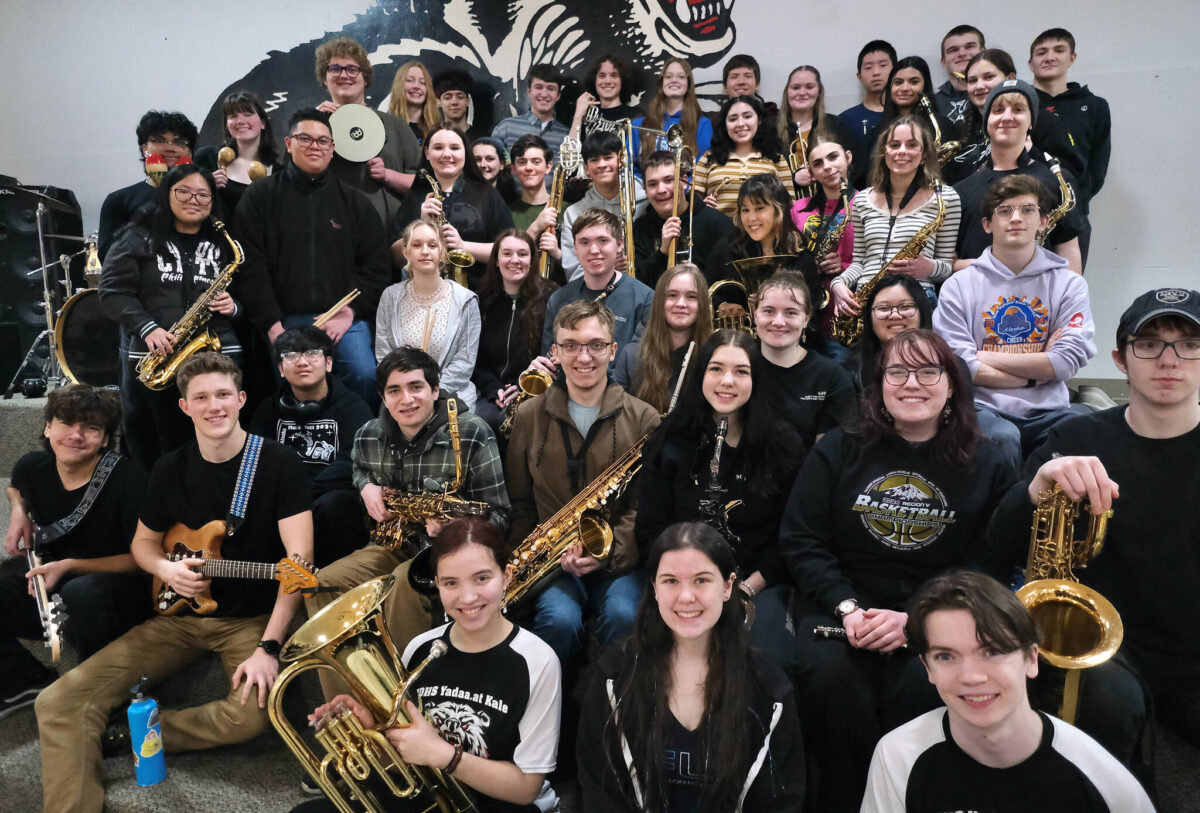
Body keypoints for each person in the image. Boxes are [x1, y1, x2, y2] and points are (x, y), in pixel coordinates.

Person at [35, 352, 314, 813]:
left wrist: (268, 647)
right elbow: (144, 545)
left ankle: (137, 732)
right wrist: (167, 571)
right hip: (178, 618)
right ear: (185, 407)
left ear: (241, 398)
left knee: (252, 714)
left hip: (249, 621)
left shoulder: (278, 462)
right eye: (201, 397)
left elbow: (298, 564)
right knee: (58, 703)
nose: (214, 406)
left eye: (223, 394)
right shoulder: (170, 466)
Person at [779, 328, 1016, 811]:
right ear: (879, 385)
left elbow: (988, 561)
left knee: (922, 685)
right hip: (843, 603)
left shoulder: (990, 459)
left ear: (952, 385)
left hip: (943, 609)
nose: (913, 383)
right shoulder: (839, 449)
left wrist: (916, 618)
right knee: (832, 682)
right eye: (898, 372)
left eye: (929, 371)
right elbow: (802, 539)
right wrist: (850, 608)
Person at [987, 287, 1200, 758]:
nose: (1170, 360)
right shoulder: (1075, 436)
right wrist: (1036, 488)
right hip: (1097, 660)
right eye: (1149, 344)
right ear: (1120, 359)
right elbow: (997, 546)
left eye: (1189, 345)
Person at [291, 518, 562, 813]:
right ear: (437, 585)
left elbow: (525, 789)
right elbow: (405, 763)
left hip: (501, 804)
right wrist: (370, 737)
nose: (468, 597)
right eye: (450, 583)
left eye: (482, 578)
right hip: (435, 795)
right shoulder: (422, 648)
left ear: (507, 576)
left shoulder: (538, 661)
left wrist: (443, 755)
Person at [862, 570, 1155, 813]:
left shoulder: (1108, 784)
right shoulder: (897, 756)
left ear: (1030, 658)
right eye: (946, 656)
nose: (972, 677)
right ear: (927, 668)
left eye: (992, 651)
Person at [577, 522, 805, 811]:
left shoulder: (770, 691)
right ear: (654, 588)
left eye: (701, 580)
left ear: (727, 586)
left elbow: (781, 801)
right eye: (671, 580)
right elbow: (599, 791)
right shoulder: (615, 674)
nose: (686, 597)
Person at [310, 347, 509, 662]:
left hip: (451, 552)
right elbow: (358, 469)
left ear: (434, 390)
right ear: (383, 396)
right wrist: (366, 487)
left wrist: (456, 529)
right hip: (393, 542)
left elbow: (499, 516)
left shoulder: (472, 433)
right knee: (322, 584)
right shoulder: (367, 436)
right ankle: (348, 695)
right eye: (394, 390)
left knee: (405, 583)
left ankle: (411, 693)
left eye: (416, 387)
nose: (406, 399)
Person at [507, 300, 660, 674]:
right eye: (571, 345)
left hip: (621, 563)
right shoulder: (528, 416)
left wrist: (606, 553)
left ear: (613, 350)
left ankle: (612, 712)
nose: (584, 357)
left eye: (595, 345)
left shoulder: (645, 418)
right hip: (552, 563)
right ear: (555, 353)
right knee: (559, 621)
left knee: (625, 615)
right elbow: (520, 503)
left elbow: (647, 509)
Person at [636, 331, 805, 666]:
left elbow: (789, 537)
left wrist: (743, 590)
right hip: (682, 579)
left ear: (756, 379)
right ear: (701, 375)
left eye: (741, 371)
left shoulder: (783, 445)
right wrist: (691, 586)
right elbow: (651, 531)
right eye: (716, 369)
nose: (727, 381)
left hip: (757, 584)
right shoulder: (669, 440)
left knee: (768, 657)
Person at [1, 386, 148, 717]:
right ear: (48, 427)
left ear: (106, 439)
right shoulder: (33, 467)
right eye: (66, 422)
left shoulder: (128, 479)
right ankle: (26, 682)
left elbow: (144, 561)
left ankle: (100, 700)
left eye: (91, 427)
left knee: (82, 591)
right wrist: (18, 511)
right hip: (58, 595)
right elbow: (14, 487)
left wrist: (69, 565)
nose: (76, 435)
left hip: (114, 597)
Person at [234, 108, 391, 407]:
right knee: (288, 389)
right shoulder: (260, 198)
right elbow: (249, 266)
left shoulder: (355, 203)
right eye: (305, 138)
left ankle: (355, 448)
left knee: (364, 376)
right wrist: (272, 325)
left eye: (323, 141)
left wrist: (349, 313)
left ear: (333, 150)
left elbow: (377, 267)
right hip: (283, 319)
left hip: (344, 318)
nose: (315, 146)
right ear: (289, 143)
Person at [934, 174, 1096, 457]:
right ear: (987, 224)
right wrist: (1035, 374)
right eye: (1005, 211)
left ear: (1044, 221)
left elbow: (1065, 363)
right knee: (1002, 439)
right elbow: (960, 368)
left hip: (1051, 410)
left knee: (1083, 430)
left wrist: (983, 355)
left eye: (1028, 209)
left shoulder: (1069, 284)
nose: (1016, 218)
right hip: (982, 408)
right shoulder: (958, 286)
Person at [100, 163, 245, 470]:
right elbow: (112, 291)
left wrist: (234, 307)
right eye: (184, 192)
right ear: (167, 195)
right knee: (150, 442)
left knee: (209, 442)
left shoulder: (224, 241)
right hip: (154, 356)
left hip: (212, 355)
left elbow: (248, 293)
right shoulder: (136, 237)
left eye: (203, 195)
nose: (194, 200)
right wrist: (147, 328)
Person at [247, 326, 373, 567]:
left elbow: (354, 460)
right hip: (282, 500)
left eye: (312, 353)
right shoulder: (267, 411)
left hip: (327, 499)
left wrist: (304, 494)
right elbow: (255, 457)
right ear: (281, 369)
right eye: (291, 355)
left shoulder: (354, 408)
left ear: (328, 363)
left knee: (338, 505)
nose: (302, 361)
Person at [830, 115, 961, 315]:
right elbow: (859, 263)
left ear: (924, 153)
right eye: (894, 144)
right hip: (869, 303)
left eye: (911, 144)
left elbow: (947, 267)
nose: (902, 151)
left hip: (916, 303)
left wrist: (928, 268)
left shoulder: (946, 198)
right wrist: (838, 284)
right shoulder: (862, 199)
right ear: (884, 151)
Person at [952, 79, 1084, 274]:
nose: (1007, 117)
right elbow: (948, 259)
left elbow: (1068, 249)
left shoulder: (1057, 181)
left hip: (1038, 301)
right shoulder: (961, 190)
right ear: (986, 122)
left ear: (1031, 123)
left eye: (1018, 109)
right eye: (998, 110)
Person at [313, 36, 421, 227]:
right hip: (329, 234)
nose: (344, 75)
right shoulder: (311, 126)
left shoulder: (396, 126)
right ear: (325, 78)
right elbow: (293, 182)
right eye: (335, 68)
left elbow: (423, 185)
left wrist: (388, 175)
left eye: (352, 69)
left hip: (389, 238)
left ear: (365, 78)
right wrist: (314, 126)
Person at [378, 219, 482, 410]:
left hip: (450, 397)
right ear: (405, 251)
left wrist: (430, 392)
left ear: (442, 251)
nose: (425, 251)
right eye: (417, 245)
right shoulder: (390, 296)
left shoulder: (466, 300)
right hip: (403, 397)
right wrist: (409, 392)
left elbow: (464, 362)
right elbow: (384, 355)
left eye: (432, 245)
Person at [1029, 28, 1111, 267]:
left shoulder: (1094, 106)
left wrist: (1074, 199)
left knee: (1069, 291)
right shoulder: (1018, 104)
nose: (1049, 57)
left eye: (1059, 50)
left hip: (1073, 211)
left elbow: (1098, 166)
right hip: (1026, 212)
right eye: (1041, 52)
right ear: (1030, 63)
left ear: (1072, 57)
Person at [394, 123, 515, 280]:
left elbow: (510, 250)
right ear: (427, 153)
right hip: (425, 293)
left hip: (478, 295)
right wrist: (422, 227)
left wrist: (463, 246)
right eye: (438, 148)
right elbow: (396, 257)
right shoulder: (416, 195)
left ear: (466, 152)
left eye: (455, 148)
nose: (447, 154)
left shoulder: (487, 195)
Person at [943, 49, 1080, 186]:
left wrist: (1031, 152)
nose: (979, 86)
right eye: (972, 80)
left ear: (1010, 78)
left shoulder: (1043, 120)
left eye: (989, 77)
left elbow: (1072, 176)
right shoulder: (961, 128)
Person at [753, 272, 856, 448]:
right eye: (769, 311)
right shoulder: (738, 369)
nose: (778, 322)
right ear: (754, 314)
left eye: (791, 313)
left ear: (806, 318)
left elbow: (828, 458)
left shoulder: (832, 378)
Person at [706, 174, 821, 326]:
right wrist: (721, 306)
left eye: (759, 208)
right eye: (745, 210)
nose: (751, 218)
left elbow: (812, 314)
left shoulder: (801, 257)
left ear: (779, 210)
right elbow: (706, 290)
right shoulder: (725, 249)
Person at [472, 229, 555, 430]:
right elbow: (476, 361)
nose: (515, 260)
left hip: (535, 391)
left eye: (522, 254)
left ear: (532, 260)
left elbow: (552, 353)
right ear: (497, 261)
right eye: (507, 253)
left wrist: (523, 387)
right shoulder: (482, 301)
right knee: (480, 422)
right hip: (493, 392)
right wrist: (494, 389)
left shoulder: (552, 297)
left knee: (518, 421)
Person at [542, 208, 654, 353]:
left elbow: (642, 363)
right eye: (584, 242)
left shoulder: (645, 299)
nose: (594, 250)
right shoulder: (558, 299)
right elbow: (549, 358)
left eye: (602, 240)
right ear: (575, 248)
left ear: (619, 244)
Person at [612, 262, 712, 412]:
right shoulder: (631, 355)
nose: (681, 304)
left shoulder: (714, 357)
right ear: (659, 301)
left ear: (702, 304)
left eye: (691, 297)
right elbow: (615, 415)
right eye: (672, 295)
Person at [97, 110, 197, 259]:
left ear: (189, 153)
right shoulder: (118, 200)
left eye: (179, 142)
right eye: (159, 140)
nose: (170, 147)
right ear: (145, 149)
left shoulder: (202, 199)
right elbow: (108, 255)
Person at [790, 132, 856, 351]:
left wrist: (844, 266)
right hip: (808, 313)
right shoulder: (797, 209)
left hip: (849, 311)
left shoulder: (868, 202)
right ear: (811, 173)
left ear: (848, 157)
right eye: (818, 163)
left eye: (833, 157)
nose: (827, 167)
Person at [631, 149, 733, 288]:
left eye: (668, 180)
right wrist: (663, 253)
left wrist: (700, 282)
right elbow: (638, 287)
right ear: (646, 191)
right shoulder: (640, 228)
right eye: (653, 184)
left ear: (685, 182)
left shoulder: (717, 223)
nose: (661, 189)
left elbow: (729, 285)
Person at [559, 131, 646, 281]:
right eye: (594, 160)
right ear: (586, 168)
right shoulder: (573, 213)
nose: (602, 164)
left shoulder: (645, 203)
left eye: (608, 157)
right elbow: (572, 272)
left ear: (621, 161)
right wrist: (607, 269)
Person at [693, 94, 793, 218]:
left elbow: (790, 205)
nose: (740, 123)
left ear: (759, 120)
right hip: (718, 234)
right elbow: (692, 206)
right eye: (733, 119)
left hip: (765, 233)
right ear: (725, 124)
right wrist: (703, 207)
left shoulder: (776, 157)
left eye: (747, 116)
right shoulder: (709, 157)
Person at [863, 57, 957, 171]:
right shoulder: (875, 133)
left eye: (914, 82)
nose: (904, 88)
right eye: (898, 82)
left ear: (925, 86)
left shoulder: (943, 127)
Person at [194, 91, 279, 213]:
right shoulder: (206, 158)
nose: (240, 121)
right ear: (227, 125)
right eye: (233, 116)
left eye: (247, 114)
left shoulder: (279, 174)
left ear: (263, 123)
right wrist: (203, 187)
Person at [776, 65, 854, 194]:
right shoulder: (771, 130)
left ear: (819, 92)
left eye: (809, 87)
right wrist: (793, 177)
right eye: (795, 87)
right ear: (787, 92)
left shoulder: (836, 125)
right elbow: (766, 174)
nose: (802, 92)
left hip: (832, 203)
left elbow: (852, 169)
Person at [631, 58, 713, 166]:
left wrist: (683, 183)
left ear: (688, 84)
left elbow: (702, 167)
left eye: (681, 76)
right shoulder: (638, 125)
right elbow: (629, 167)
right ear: (662, 83)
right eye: (668, 76)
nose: (674, 80)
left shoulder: (702, 124)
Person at [506, 134, 564, 281]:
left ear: (548, 167)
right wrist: (536, 226)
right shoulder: (506, 212)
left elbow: (581, 266)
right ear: (513, 168)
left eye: (536, 162)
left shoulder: (568, 210)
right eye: (522, 162)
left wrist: (557, 253)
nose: (529, 168)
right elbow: (503, 259)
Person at [839, 40, 896, 187]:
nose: (876, 72)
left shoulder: (905, 115)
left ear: (896, 70)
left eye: (883, 65)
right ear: (859, 76)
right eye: (868, 67)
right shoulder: (845, 119)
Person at [490, 63, 570, 158]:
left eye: (550, 88)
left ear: (558, 95)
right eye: (538, 87)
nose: (544, 94)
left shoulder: (567, 136)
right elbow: (491, 163)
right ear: (529, 92)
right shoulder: (506, 128)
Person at [933, 24, 985, 126]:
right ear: (943, 61)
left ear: (983, 52)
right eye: (953, 50)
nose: (962, 53)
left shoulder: (1000, 93)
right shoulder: (932, 103)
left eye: (969, 46)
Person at [581, 53, 642, 129]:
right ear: (594, 81)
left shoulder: (637, 116)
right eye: (602, 76)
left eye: (614, 75)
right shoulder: (585, 116)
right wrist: (578, 117)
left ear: (622, 80)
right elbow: (570, 141)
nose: (607, 81)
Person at [387, 60, 439, 144]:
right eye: (410, 80)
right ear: (399, 85)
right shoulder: (386, 126)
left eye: (423, 82)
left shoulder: (437, 129)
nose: (416, 86)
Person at [433, 67, 487, 142]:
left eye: (460, 97)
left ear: (468, 101)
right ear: (439, 102)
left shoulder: (481, 140)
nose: (454, 102)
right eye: (448, 97)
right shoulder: (433, 138)